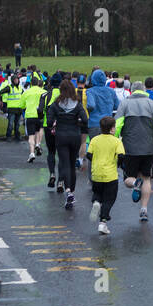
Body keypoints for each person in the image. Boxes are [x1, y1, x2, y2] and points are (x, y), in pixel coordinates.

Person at [116, 82, 153, 222]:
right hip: (148, 147)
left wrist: (115, 141)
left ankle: (135, 184)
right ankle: (144, 209)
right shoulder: (152, 104)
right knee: (146, 178)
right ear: (144, 90)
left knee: (127, 179)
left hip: (130, 148)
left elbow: (118, 124)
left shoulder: (124, 104)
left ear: (131, 91)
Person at [49, 78, 90, 208]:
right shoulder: (77, 104)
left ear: (61, 90)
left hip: (61, 136)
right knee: (72, 164)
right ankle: (71, 191)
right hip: (74, 135)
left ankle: (67, 191)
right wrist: (76, 122)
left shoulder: (56, 104)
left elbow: (49, 122)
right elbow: (85, 119)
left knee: (64, 163)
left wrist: (55, 123)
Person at [86, 117, 126, 235]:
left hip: (97, 173)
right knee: (109, 199)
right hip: (110, 175)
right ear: (112, 129)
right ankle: (103, 223)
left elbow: (89, 154)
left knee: (97, 193)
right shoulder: (116, 141)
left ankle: (96, 202)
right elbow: (122, 155)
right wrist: (118, 164)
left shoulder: (95, 139)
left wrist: (96, 161)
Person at [85, 69, 118, 142]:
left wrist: (88, 110)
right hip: (108, 123)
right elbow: (116, 105)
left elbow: (91, 105)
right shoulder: (111, 91)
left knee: (96, 149)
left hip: (95, 124)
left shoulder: (90, 91)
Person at [21, 74, 45, 162]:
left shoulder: (26, 92)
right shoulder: (43, 91)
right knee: (39, 130)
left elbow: (22, 105)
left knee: (31, 136)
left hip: (30, 115)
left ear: (31, 83)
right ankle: (38, 144)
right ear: (38, 83)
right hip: (40, 114)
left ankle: (31, 153)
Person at [2, 73, 25, 140]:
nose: (16, 81)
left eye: (17, 79)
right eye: (15, 80)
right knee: (11, 124)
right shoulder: (10, 87)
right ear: (12, 80)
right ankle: (8, 136)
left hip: (18, 108)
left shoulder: (20, 88)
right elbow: (2, 91)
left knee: (17, 124)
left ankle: (17, 135)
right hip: (12, 109)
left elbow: (23, 95)